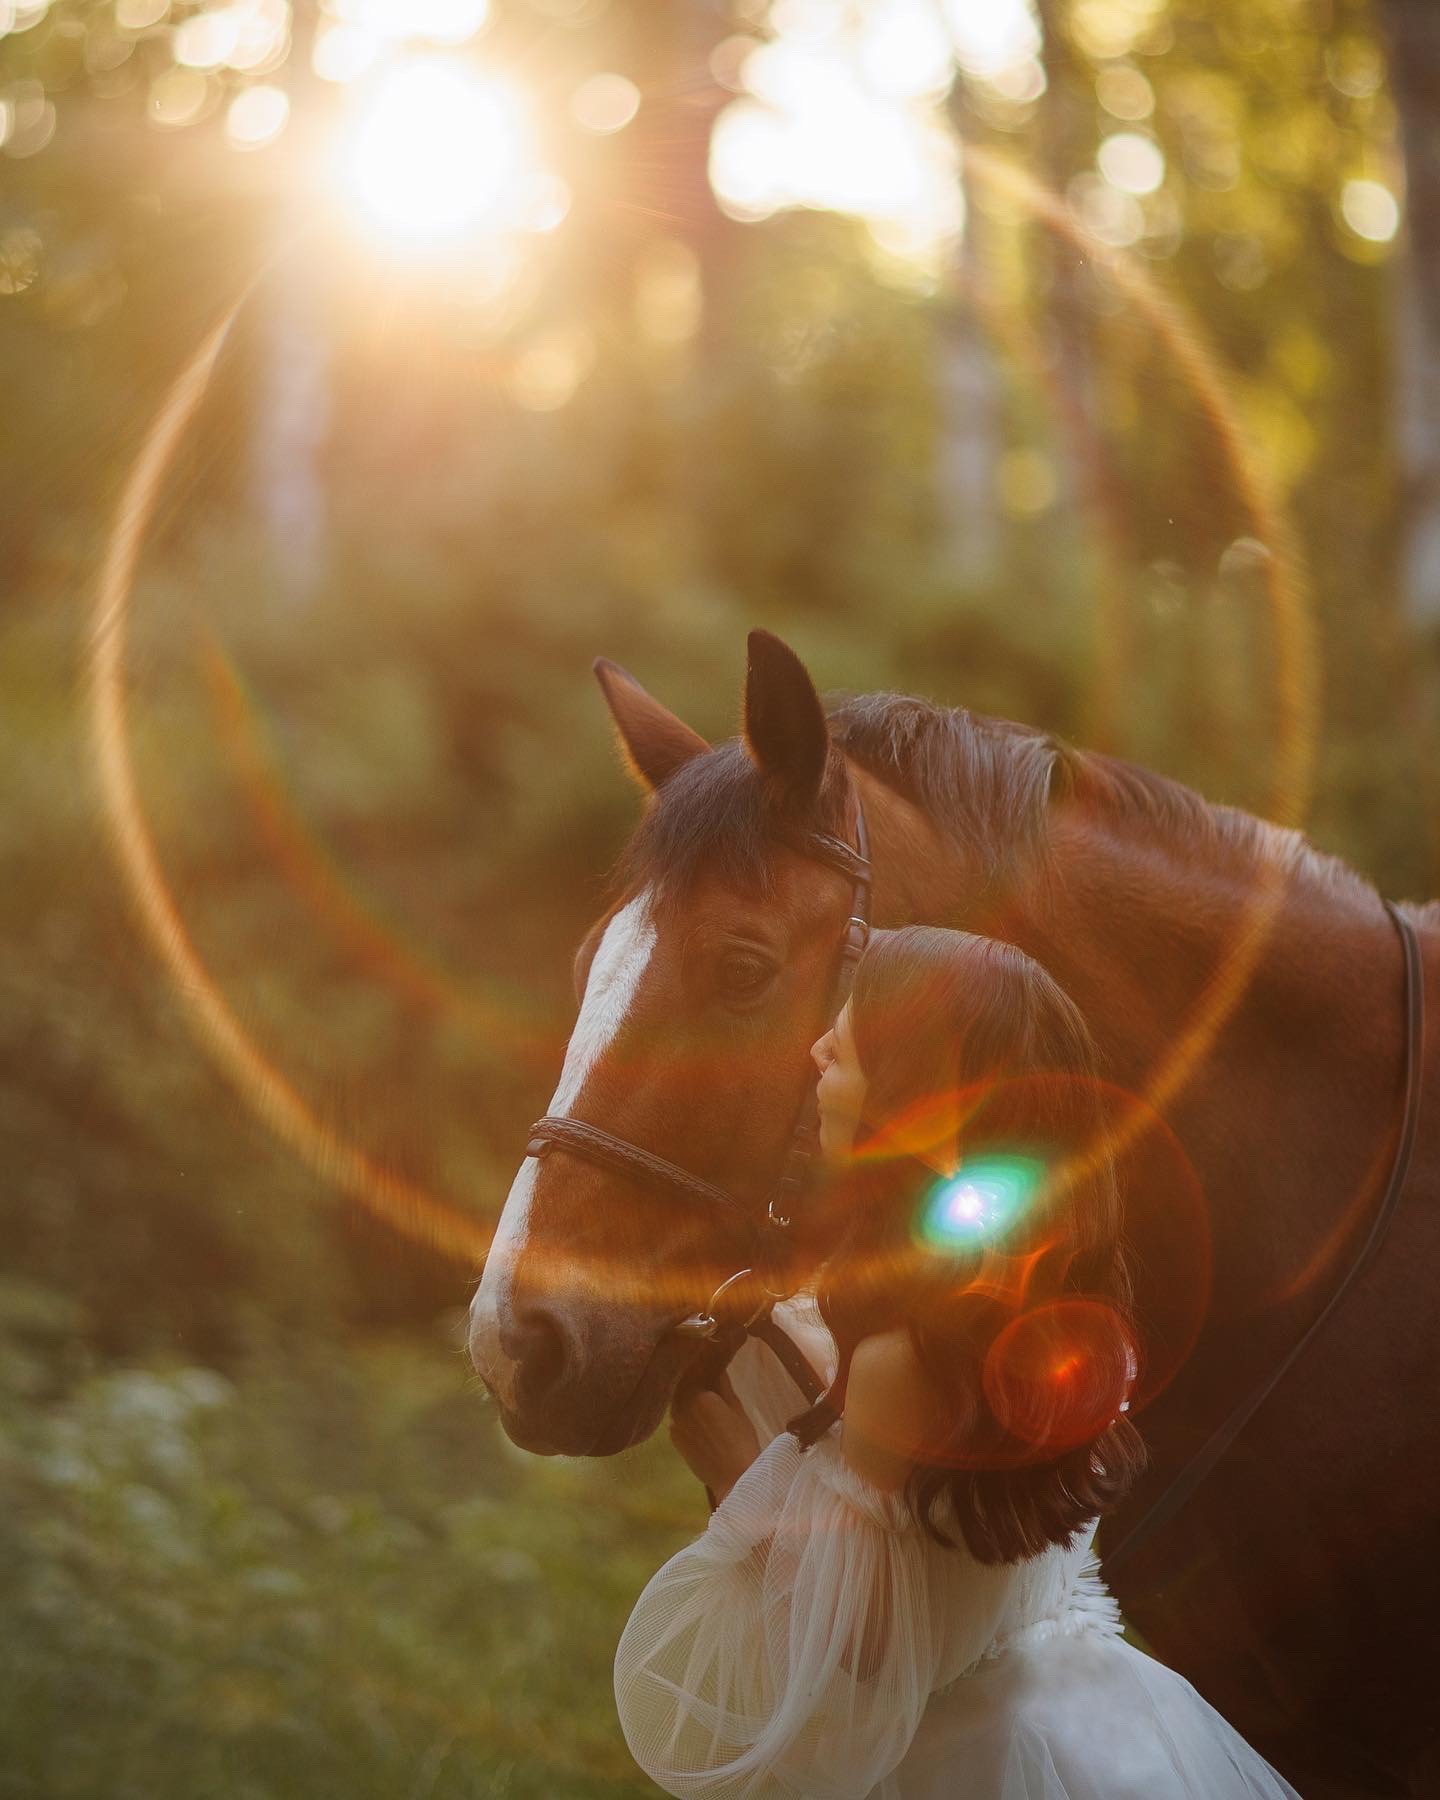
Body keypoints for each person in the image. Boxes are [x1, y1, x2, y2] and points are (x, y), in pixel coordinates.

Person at [613, 926, 1302, 1800]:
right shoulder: (1056, 1302)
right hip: (1092, 1712)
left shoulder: (910, 1357)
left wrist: (734, 1472)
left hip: (973, 1757)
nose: (818, 1047)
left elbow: (871, 1643)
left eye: (851, 1040)